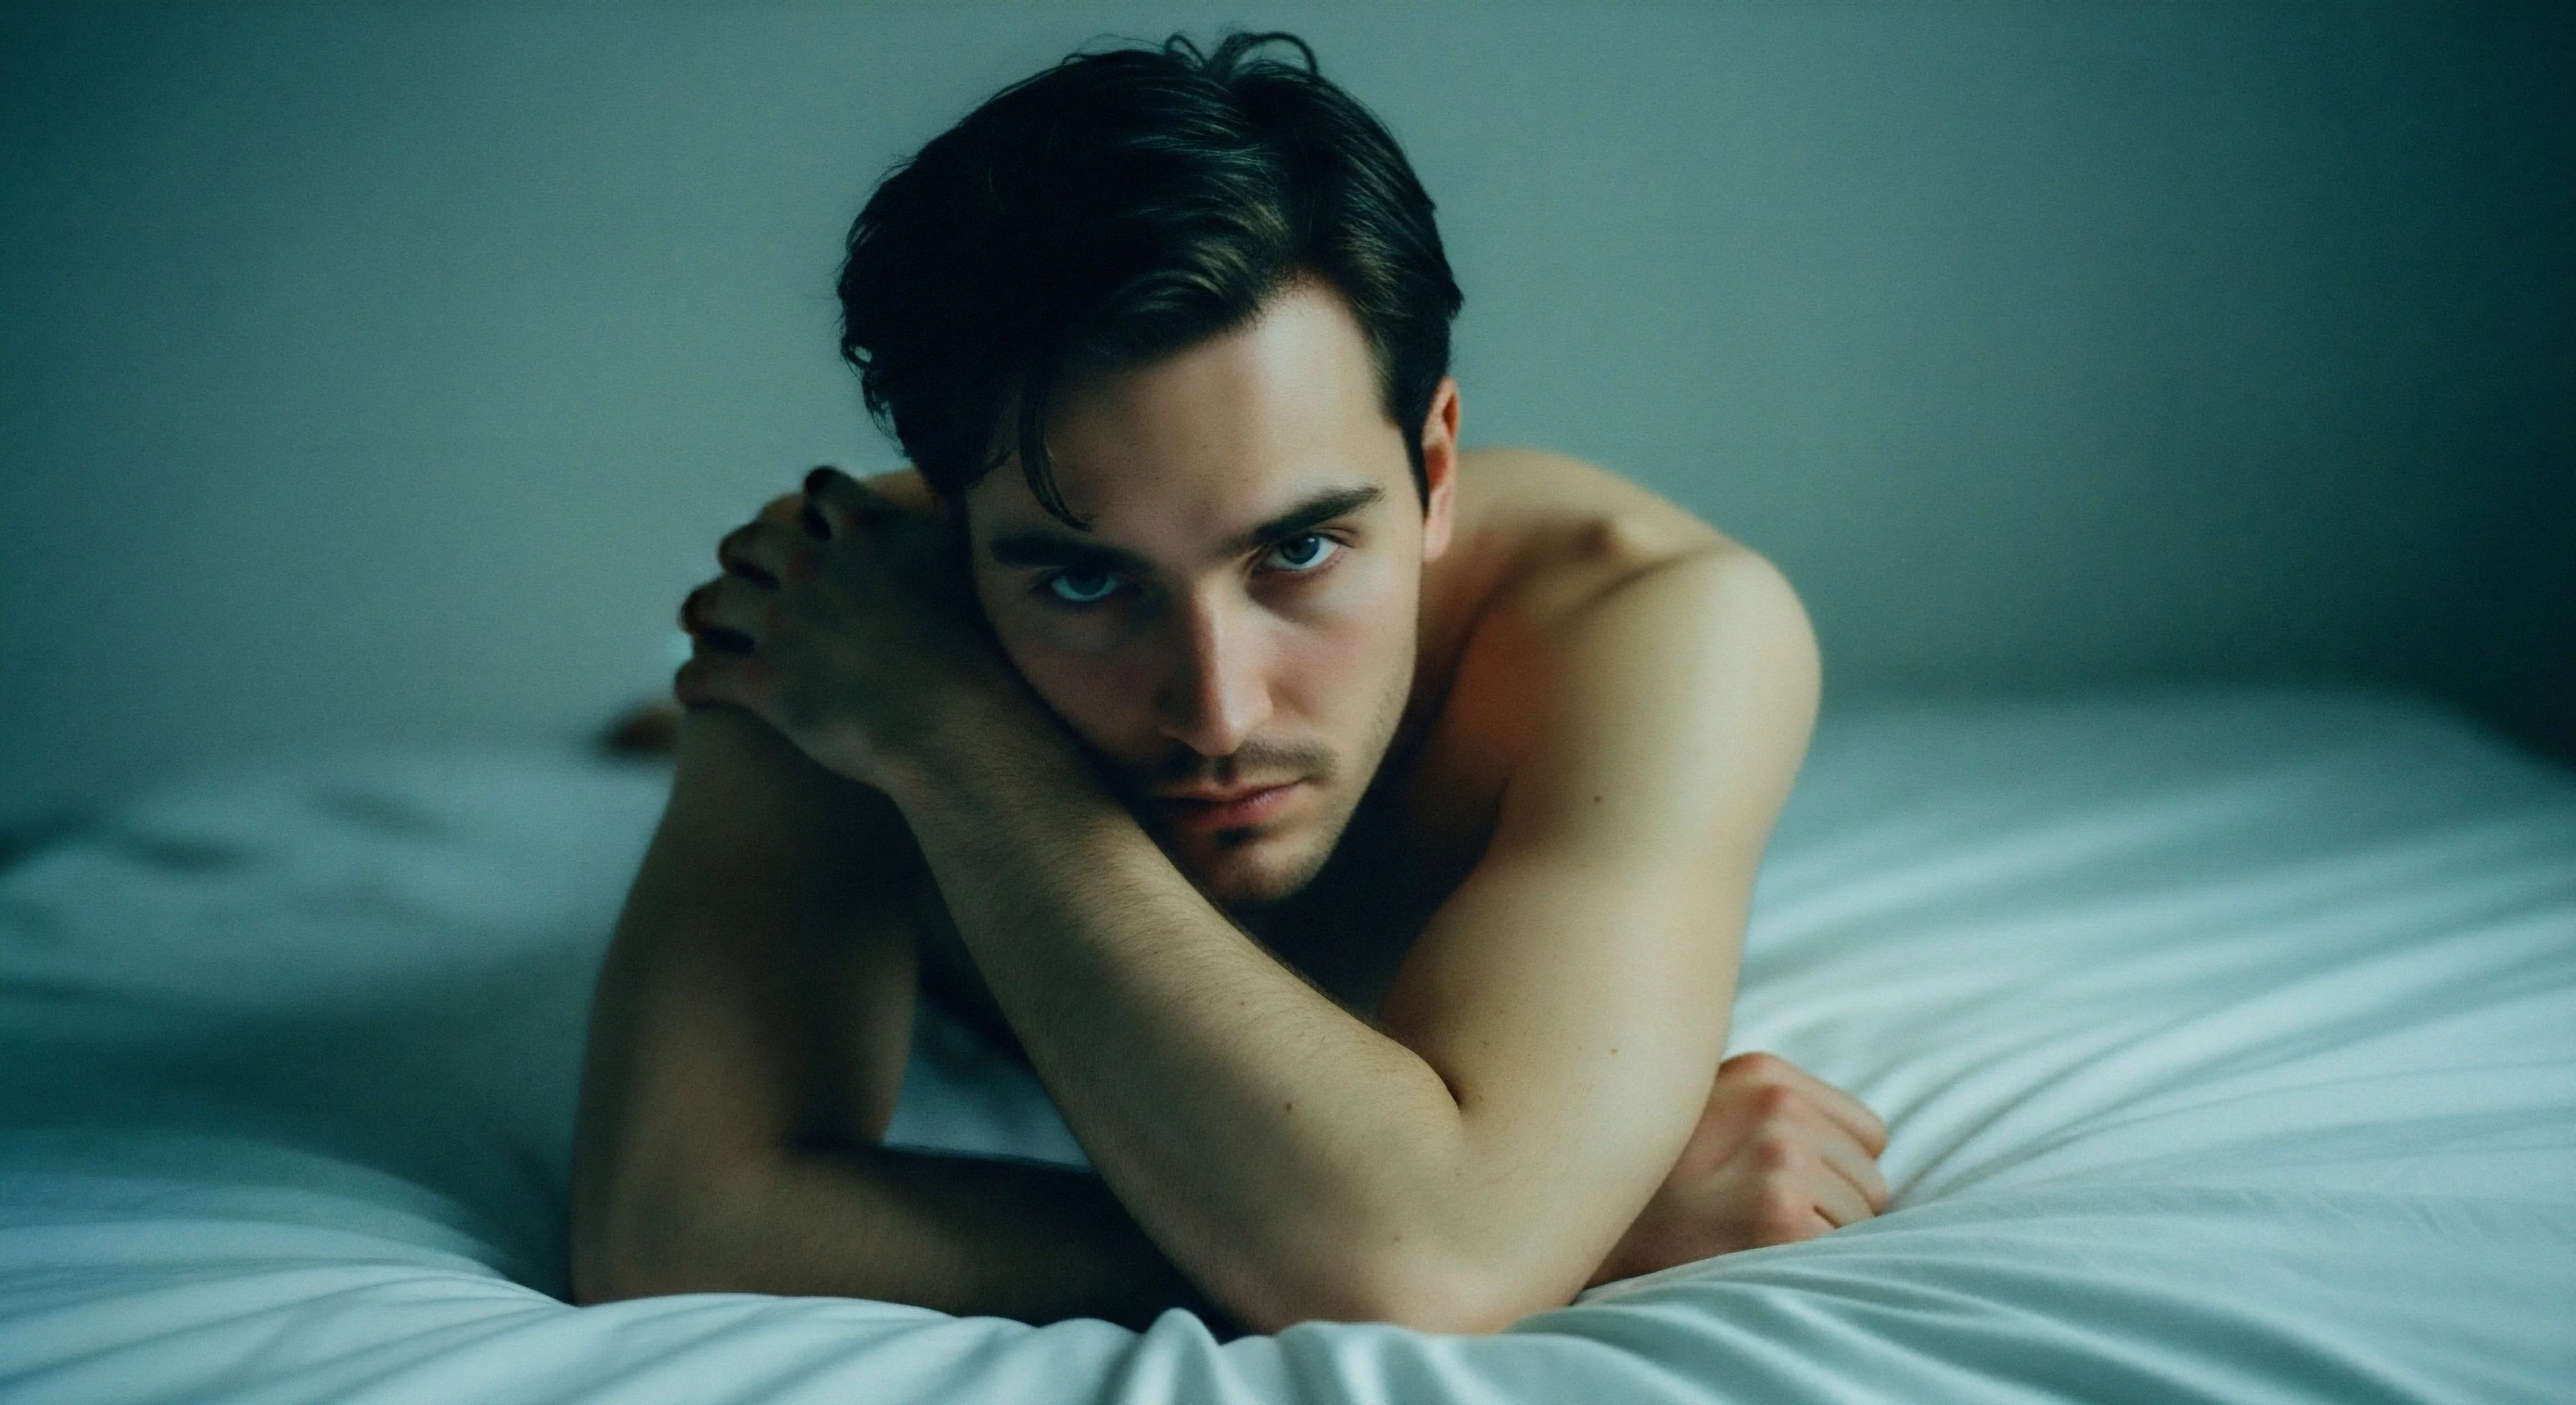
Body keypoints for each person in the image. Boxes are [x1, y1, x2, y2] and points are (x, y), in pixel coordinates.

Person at [569, 31, 1887, 1337]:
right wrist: (955, 742)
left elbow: (1429, 1252)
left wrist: (1471, 1233)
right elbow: (671, 1229)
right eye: (1085, 585)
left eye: (1300, 552)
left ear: (1435, 471)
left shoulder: (1653, 622)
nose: (1218, 712)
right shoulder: (857, 631)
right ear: (955, 532)